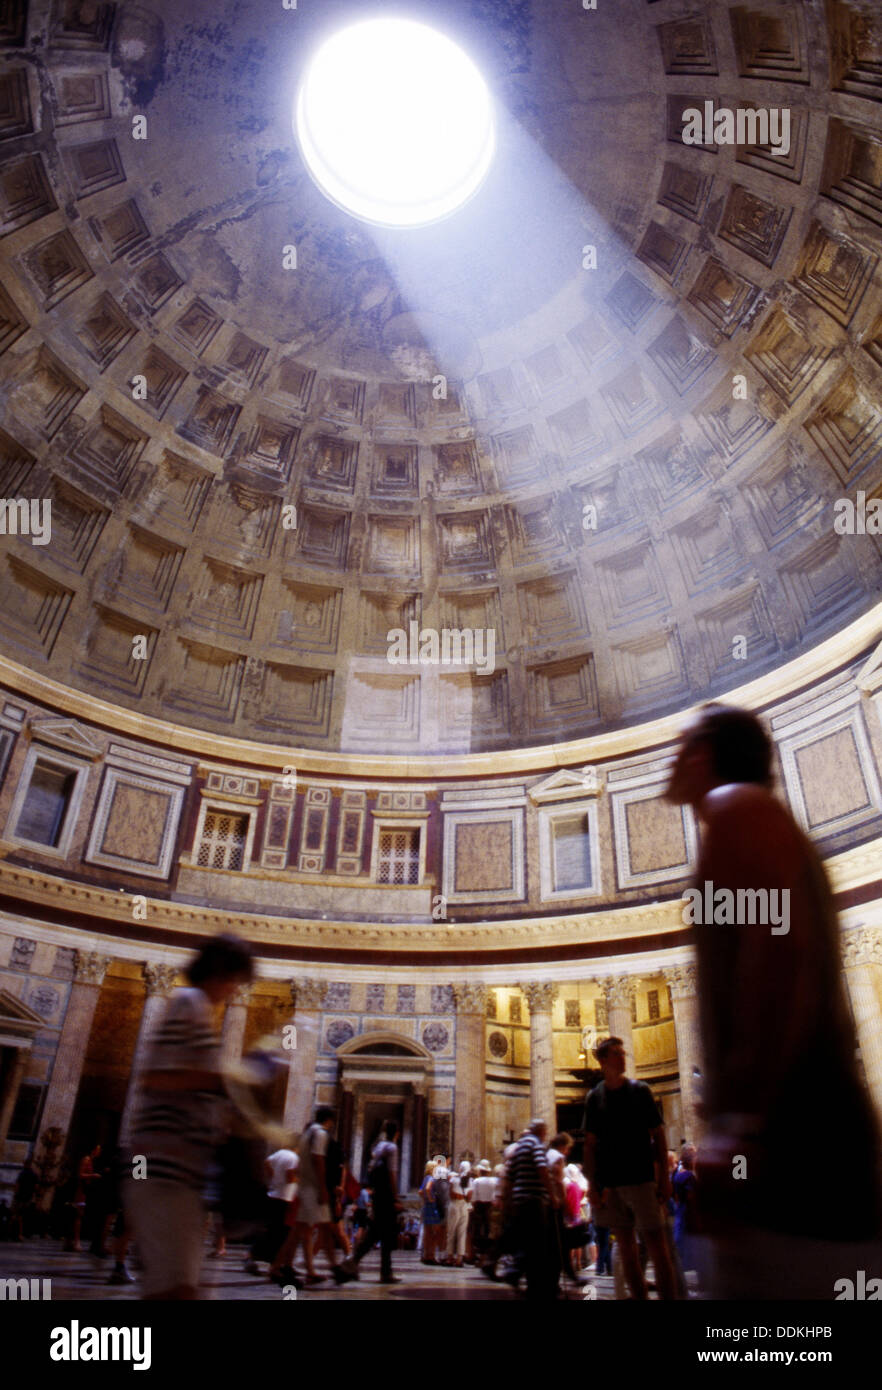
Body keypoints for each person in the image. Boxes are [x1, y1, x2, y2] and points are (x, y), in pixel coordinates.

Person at [666, 702, 882, 1296]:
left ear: (706, 754)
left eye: (681, 745)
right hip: (804, 1134)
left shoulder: (741, 812)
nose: (672, 758)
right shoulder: (753, 818)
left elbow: (779, 960)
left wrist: (745, 1127)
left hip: (797, 1139)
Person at [124, 933, 254, 1300]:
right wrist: (224, 1079)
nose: (233, 990)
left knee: (175, 1287)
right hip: (164, 1168)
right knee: (176, 1291)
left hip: (180, 1172)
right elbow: (155, 1077)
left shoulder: (194, 1009)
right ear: (221, 973)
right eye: (234, 980)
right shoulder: (189, 1002)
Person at [583, 1037, 679, 1300]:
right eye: (616, 1053)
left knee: (658, 1248)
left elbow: (658, 1135)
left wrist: (665, 1180)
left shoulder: (640, 1090)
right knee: (627, 1252)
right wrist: (593, 1186)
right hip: (611, 1184)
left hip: (642, 1179)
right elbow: (590, 1145)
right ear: (602, 1060)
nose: (623, 1057)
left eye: (623, 1052)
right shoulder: (595, 1097)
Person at [498, 1119, 559, 1300]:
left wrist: (505, 1200)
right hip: (534, 1200)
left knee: (525, 1241)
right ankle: (528, 1280)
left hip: (519, 1201)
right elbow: (542, 1170)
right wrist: (552, 1195)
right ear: (540, 1131)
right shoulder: (536, 1145)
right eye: (545, 1131)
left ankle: (518, 1274)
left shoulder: (517, 1148)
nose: (546, 1134)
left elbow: (509, 1176)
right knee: (538, 1243)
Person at [339, 1119, 402, 1283]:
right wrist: (395, 1197)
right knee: (384, 1234)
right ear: (396, 1133)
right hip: (386, 1195)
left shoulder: (379, 1146)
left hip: (377, 1193)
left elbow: (371, 1168)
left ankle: (353, 1263)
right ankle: (382, 1272)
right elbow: (392, 1173)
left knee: (375, 1233)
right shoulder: (392, 1147)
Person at [288, 1106, 345, 1285]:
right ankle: (281, 1267)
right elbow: (318, 1160)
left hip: (306, 1187)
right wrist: (323, 1188)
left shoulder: (306, 1134)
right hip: (314, 1189)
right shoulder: (320, 1134)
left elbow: (299, 1165)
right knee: (319, 1229)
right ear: (329, 1120)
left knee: (303, 1230)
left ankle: (307, 1269)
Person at [245, 1146, 298, 1274]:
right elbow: (290, 1178)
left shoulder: (280, 1153)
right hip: (284, 1197)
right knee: (280, 1232)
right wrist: (300, 1180)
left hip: (273, 1194)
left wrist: (272, 1176)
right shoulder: (293, 1158)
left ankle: (265, 1259)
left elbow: (266, 1162)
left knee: (272, 1230)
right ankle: (270, 1261)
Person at [469, 1159, 496, 1267]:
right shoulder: (494, 1181)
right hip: (490, 1207)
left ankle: (480, 1258)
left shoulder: (477, 1181)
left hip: (479, 1207)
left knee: (479, 1232)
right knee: (488, 1231)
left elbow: (474, 1197)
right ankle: (487, 1257)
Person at [444, 1162, 470, 1267]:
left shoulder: (454, 1180)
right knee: (462, 1233)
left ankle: (450, 1257)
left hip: (454, 1205)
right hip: (464, 1206)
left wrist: (457, 1195)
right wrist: (462, 1196)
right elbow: (469, 1197)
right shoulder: (471, 1181)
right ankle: (459, 1258)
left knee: (451, 1232)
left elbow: (450, 1194)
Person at [10, 1157, 37, 1241]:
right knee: (22, 1216)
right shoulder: (34, 1175)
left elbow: (17, 1184)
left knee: (15, 1215)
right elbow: (36, 1187)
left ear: (25, 1164)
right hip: (28, 1198)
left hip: (19, 1197)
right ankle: (20, 1234)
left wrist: (15, 1193)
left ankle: (12, 1232)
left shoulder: (22, 1173)